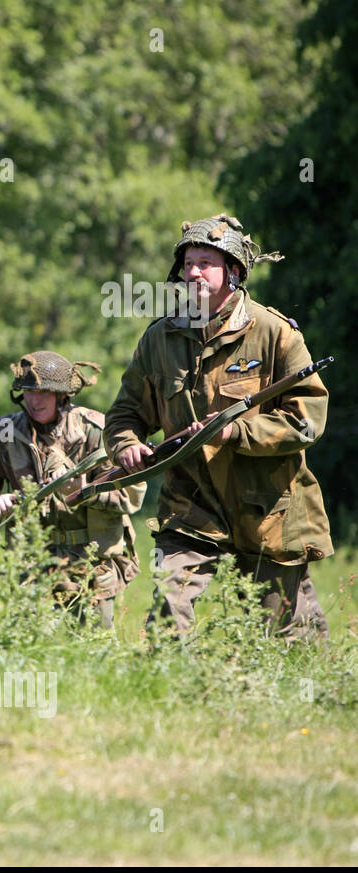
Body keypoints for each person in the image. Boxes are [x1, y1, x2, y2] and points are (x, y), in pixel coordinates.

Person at [103, 213, 331, 640]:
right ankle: (166, 694)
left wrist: (235, 432)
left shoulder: (275, 334)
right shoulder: (160, 338)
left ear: (234, 272)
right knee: (172, 606)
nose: (193, 272)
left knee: (287, 634)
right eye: (188, 262)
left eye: (205, 262)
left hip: (267, 511)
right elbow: (125, 414)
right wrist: (127, 445)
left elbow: (306, 421)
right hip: (190, 506)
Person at [0, 351, 143, 628]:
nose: (34, 400)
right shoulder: (3, 434)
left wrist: (84, 489)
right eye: (29, 391)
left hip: (93, 565)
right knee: (30, 650)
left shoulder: (97, 430)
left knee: (95, 651)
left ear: (62, 395)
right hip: (31, 566)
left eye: (44, 392)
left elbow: (131, 496)